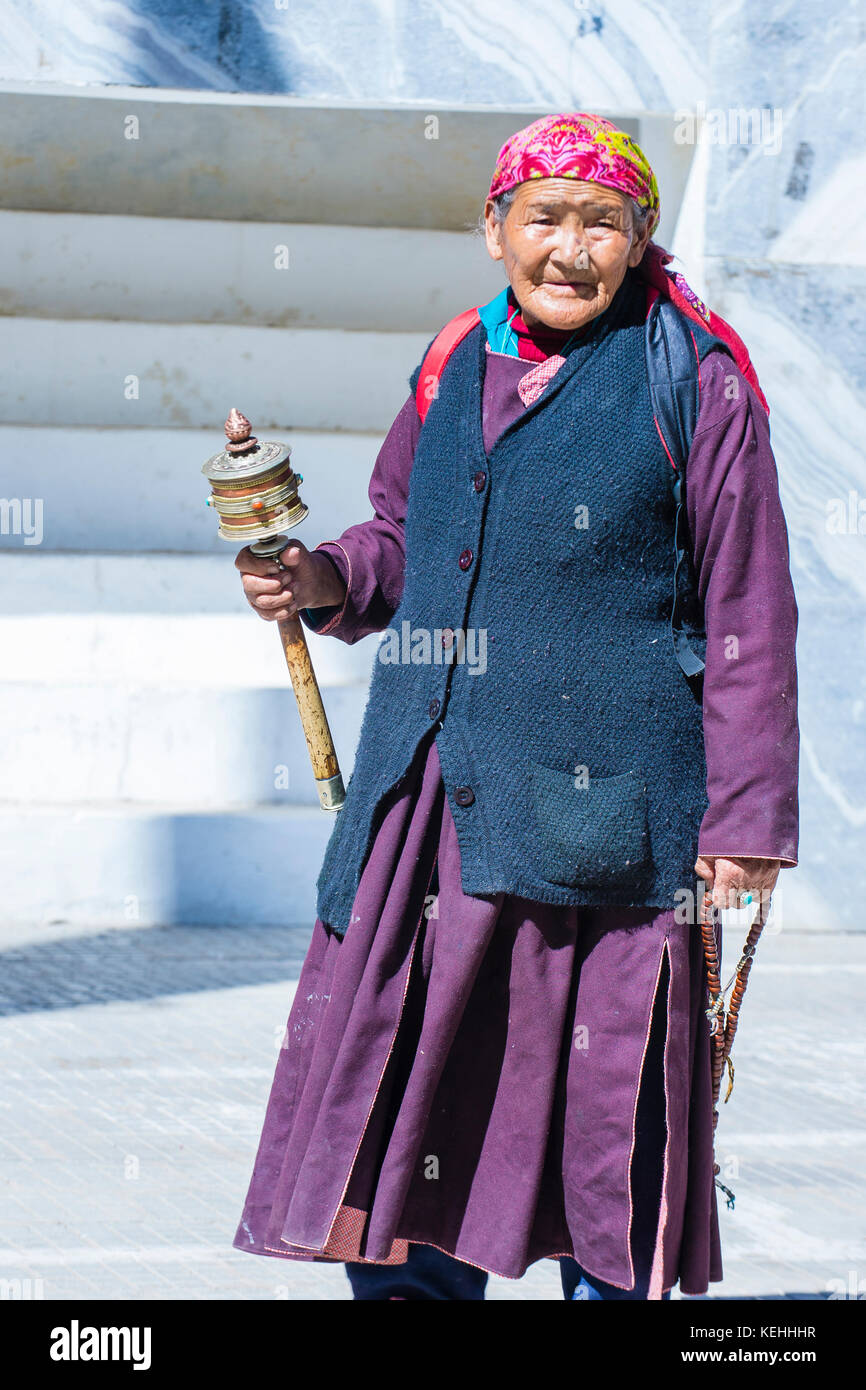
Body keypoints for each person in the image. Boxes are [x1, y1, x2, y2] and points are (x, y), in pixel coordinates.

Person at [231, 113, 799, 1300]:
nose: (569, 247)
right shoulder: (451, 358)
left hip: (604, 825)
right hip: (426, 808)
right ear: (494, 228)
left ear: (639, 238)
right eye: (543, 216)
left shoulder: (689, 379)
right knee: (411, 1101)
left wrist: (743, 819)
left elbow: (748, 602)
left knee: (599, 1133)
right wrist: (322, 578)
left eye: (601, 222)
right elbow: (397, 535)